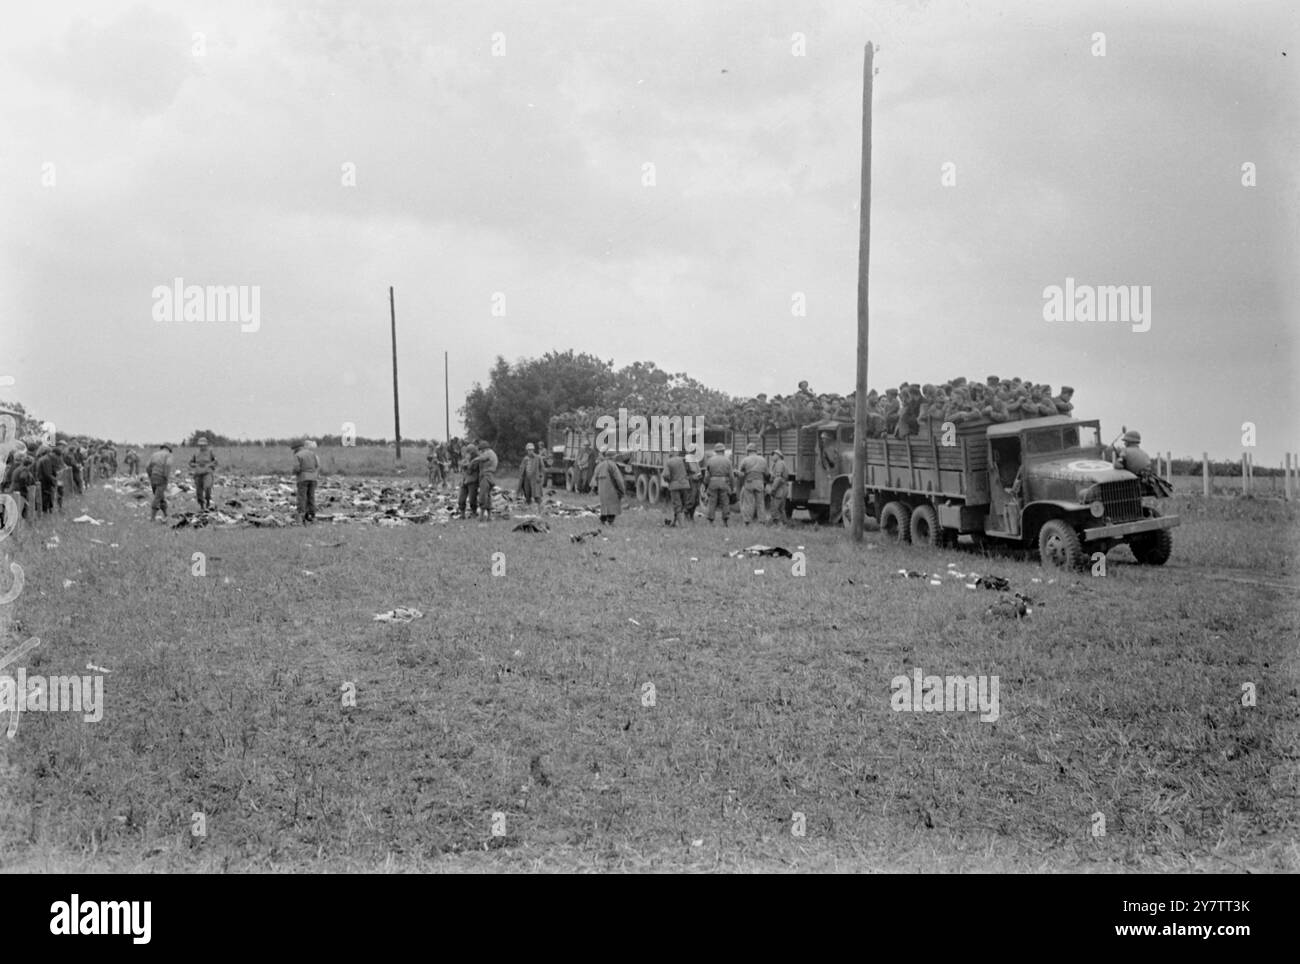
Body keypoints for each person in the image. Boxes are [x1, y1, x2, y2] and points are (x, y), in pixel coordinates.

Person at [592, 446, 626, 525]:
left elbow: (594, 479)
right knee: (613, 506)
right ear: (614, 456)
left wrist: (594, 489)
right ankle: (610, 521)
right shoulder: (612, 465)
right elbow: (619, 479)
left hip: (601, 490)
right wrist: (622, 490)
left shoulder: (599, 465)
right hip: (612, 490)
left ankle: (603, 520)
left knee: (604, 505)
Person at [737, 442, 768, 525]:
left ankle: (747, 521)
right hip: (759, 482)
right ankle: (762, 521)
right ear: (756, 450)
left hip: (749, 482)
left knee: (748, 502)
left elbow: (740, 472)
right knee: (760, 502)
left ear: (748, 451)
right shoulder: (762, 459)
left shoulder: (745, 460)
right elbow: (767, 473)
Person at [703, 441, 734, 526]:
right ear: (723, 451)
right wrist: (732, 487)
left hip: (712, 483)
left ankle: (711, 521)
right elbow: (731, 476)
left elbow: (707, 475)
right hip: (724, 483)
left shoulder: (710, 460)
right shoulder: (728, 461)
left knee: (712, 502)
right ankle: (725, 521)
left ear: (715, 451)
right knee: (725, 502)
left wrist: (706, 485)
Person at [662, 447, 692, 526]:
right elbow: (690, 470)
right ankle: (674, 522)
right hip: (685, 485)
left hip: (674, 486)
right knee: (683, 504)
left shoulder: (669, 462)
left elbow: (666, 475)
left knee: (677, 505)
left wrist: (669, 481)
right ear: (677, 453)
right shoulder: (684, 460)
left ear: (670, 453)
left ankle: (682, 526)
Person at [291, 439, 319, 523]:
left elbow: (297, 468)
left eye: (294, 449)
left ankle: (301, 515)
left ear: (297, 449)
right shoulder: (312, 453)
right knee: (311, 496)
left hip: (303, 478)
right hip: (313, 478)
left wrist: (294, 473)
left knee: (302, 497)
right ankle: (312, 515)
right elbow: (316, 465)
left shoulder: (298, 455)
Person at [472, 439, 498, 521]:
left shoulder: (488, 452)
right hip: (490, 476)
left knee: (483, 495)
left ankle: (481, 516)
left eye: (481, 450)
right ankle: (489, 516)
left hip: (486, 476)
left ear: (483, 449)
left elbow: (482, 458)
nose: (480, 452)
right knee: (488, 495)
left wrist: (473, 460)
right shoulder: (492, 453)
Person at [189, 437, 217, 511]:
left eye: (204, 445)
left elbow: (215, 461)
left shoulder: (210, 452)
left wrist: (210, 465)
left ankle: (208, 502)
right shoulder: (196, 453)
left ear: (206, 445)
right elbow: (191, 462)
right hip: (198, 474)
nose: (202, 446)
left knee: (207, 488)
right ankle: (202, 506)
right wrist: (194, 465)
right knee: (199, 492)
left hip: (207, 473)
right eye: (201, 445)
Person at [146, 443, 174, 521]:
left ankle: (166, 514)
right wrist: (166, 477)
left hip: (153, 476)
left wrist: (150, 475)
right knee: (157, 497)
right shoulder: (168, 455)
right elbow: (168, 465)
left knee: (160, 496)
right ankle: (152, 518)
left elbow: (148, 466)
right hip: (162, 477)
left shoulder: (154, 454)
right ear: (169, 449)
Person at [458, 441, 479, 518]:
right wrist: (464, 464)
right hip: (464, 481)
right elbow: (461, 466)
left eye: (469, 452)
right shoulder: (466, 458)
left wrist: (467, 464)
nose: (468, 453)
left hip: (472, 481)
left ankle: (474, 512)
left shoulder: (477, 460)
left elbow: (471, 469)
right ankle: (462, 514)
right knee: (461, 499)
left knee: (472, 499)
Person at [518, 442, 543, 507]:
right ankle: (528, 505)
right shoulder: (525, 458)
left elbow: (542, 467)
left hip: (535, 478)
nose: (530, 451)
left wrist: (540, 475)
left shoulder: (538, 458)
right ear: (527, 450)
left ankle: (539, 507)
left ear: (533, 450)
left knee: (536, 494)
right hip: (526, 478)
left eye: (531, 450)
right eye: (529, 450)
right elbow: (521, 468)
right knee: (527, 492)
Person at [768, 449, 789, 525]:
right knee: (781, 509)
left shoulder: (779, 463)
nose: (772, 457)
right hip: (784, 487)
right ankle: (784, 524)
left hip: (779, 488)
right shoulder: (782, 463)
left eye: (773, 455)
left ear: (778, 456)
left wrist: (773, 489)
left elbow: (778, 478)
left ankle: (778, 525)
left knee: (774, 508)